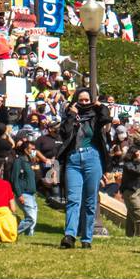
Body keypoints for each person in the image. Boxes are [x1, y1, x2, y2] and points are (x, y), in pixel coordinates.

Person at [56, 87, 110, 249]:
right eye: (81, 100)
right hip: (73, 159)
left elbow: (106, 118)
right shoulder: (70, 116)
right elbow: (64, 133)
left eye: (87, 100)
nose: (84, 103)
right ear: (76, 101)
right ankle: (70, 235)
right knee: (73, 199)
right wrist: (71, 114)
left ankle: (86, 238)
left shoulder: (95, 116)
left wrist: (100, 105)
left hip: (92, 158)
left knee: (90, 200)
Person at [119, 134, 140, 237]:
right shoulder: (128, 165)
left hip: (138, 191)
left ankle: (129, 238)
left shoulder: (137, 162)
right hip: (131, 193)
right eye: (138, 153)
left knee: (131, 217)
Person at [10, 135, 40, 236]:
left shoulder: (29, 162)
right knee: (31, 219)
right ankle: (12, 234)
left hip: (31, 195)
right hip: (24, 194)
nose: (34, 151)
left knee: (33, 221)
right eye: (32, 149)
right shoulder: (19, 161)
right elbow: (14, 179)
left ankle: (28, 238)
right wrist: (19, 194)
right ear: (25, 150)